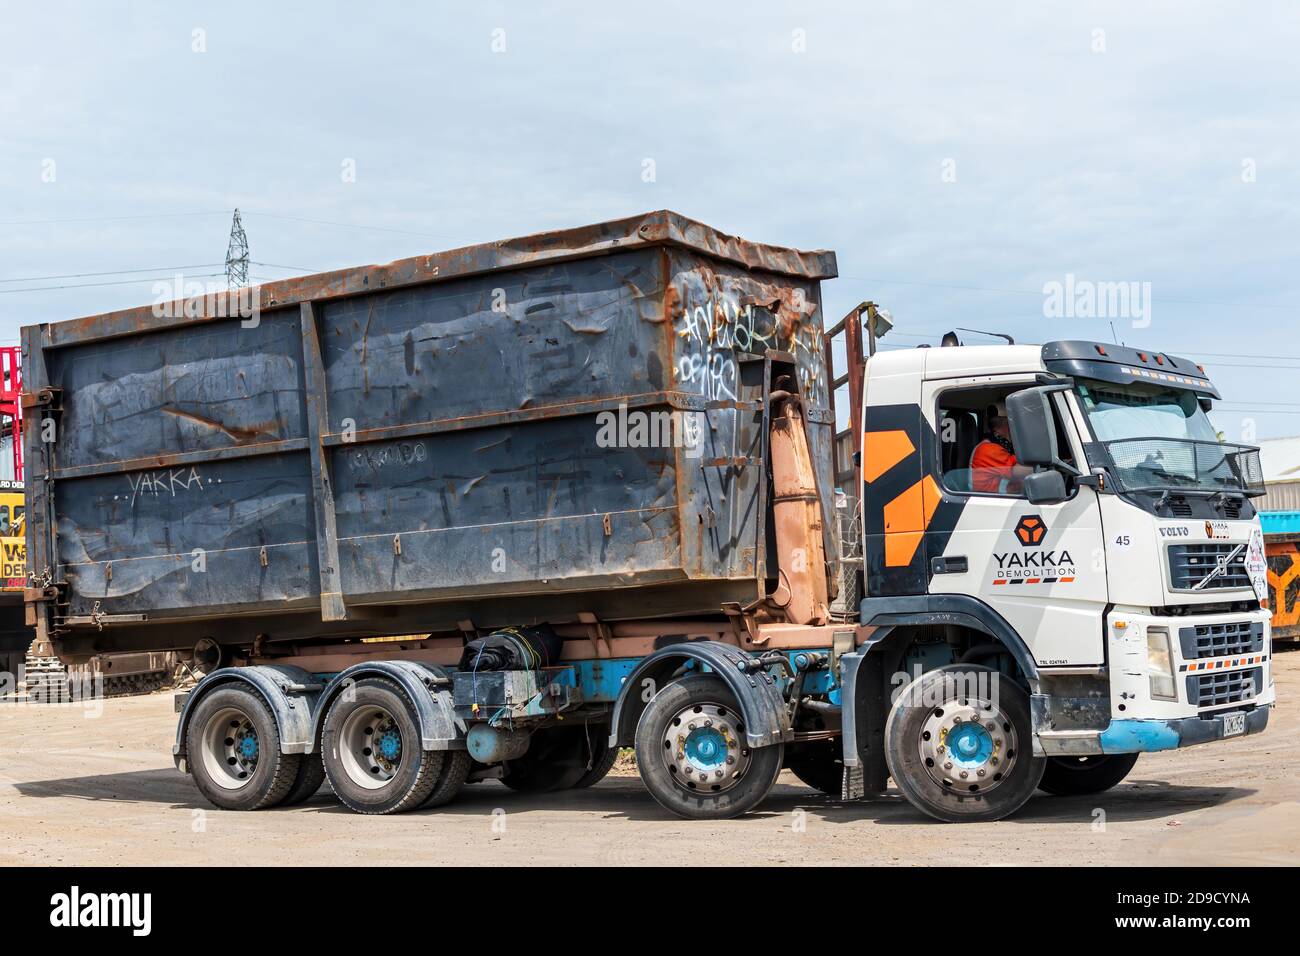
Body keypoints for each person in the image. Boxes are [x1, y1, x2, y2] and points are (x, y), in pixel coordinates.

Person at [970, 401, 1034, 494]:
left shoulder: (1000, 445)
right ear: (1009, 424)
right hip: (991, 503)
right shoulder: (989, 449)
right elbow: (1019, 472)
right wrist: (1046, 465)